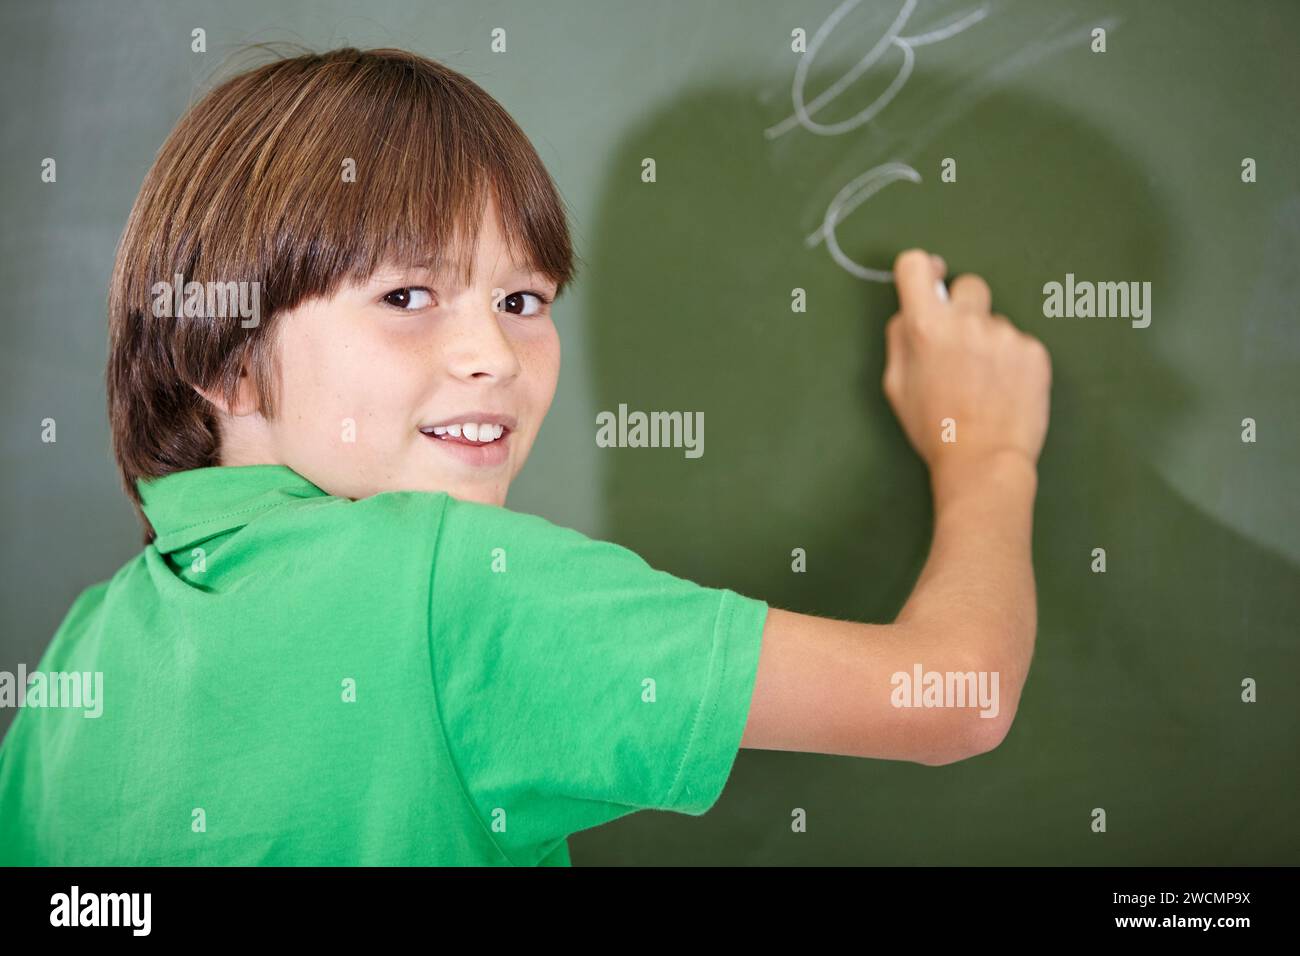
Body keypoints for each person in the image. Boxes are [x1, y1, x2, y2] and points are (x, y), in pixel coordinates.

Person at [0, 46, 1050, 866]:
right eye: (406, 297)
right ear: (224, 357)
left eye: (522, 300)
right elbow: (953, 695)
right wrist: (992, 451)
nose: (493, 354)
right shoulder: (452, 584)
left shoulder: (86, 649)